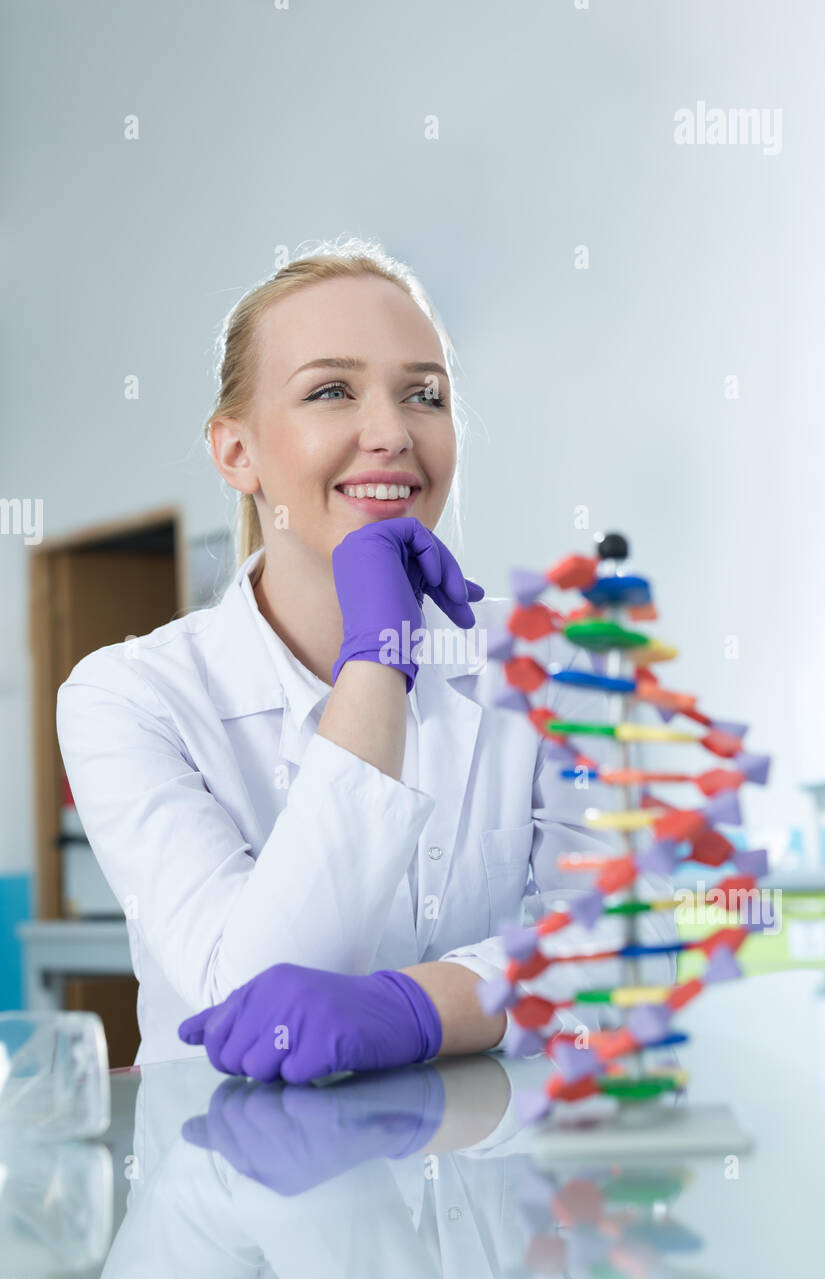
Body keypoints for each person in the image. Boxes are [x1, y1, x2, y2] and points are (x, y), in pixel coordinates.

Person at [56, 237, 671, 1079]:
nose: (390, 432)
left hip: (476, 1180)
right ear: (238, 453)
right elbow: (256, 1008)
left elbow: (629, 958)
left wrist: (419, 1007)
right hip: (232, 1189)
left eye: (425, 394)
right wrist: (378, 659)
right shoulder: (127, 697)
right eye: (331, 390)